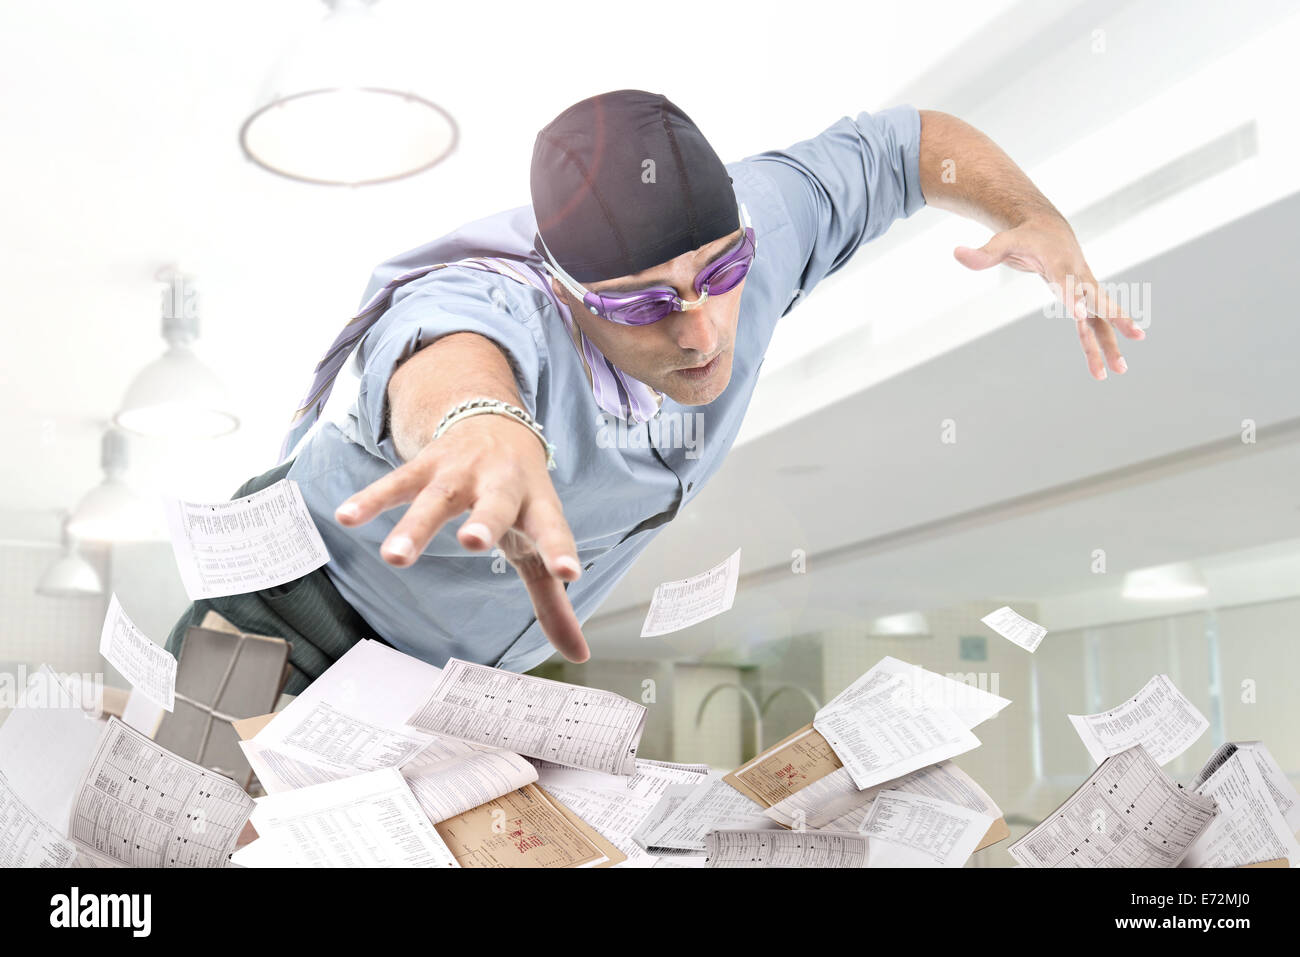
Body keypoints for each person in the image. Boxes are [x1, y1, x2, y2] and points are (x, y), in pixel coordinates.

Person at [166, 89, 1141, 693]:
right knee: (183, 831)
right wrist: (480, 428)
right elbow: (445, 361)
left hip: (438, 678)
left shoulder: (767, 221)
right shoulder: (489, 303)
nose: (699, 328)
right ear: (565, 289)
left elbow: (906, 143)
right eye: (642, 305)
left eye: (720, 276)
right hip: (284, 610)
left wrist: (1038, 216)